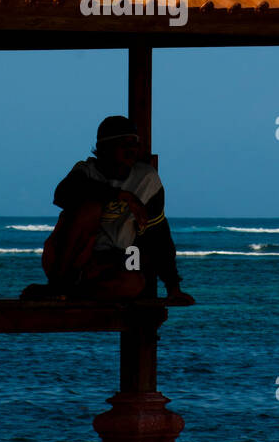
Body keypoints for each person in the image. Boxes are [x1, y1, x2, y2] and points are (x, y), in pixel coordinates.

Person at [24, 116, 194, 303]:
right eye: (123, 144)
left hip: (114, 260)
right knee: (91, 208)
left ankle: (70, 294)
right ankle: (59, 285)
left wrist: (173, 287)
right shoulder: (85, 171)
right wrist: (123, 195)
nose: (131, 150)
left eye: (134, 144)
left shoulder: (147, 179)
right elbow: (61, 194)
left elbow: (160, 236)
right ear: (104, 148)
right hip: (72, 259)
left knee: (135, 283)